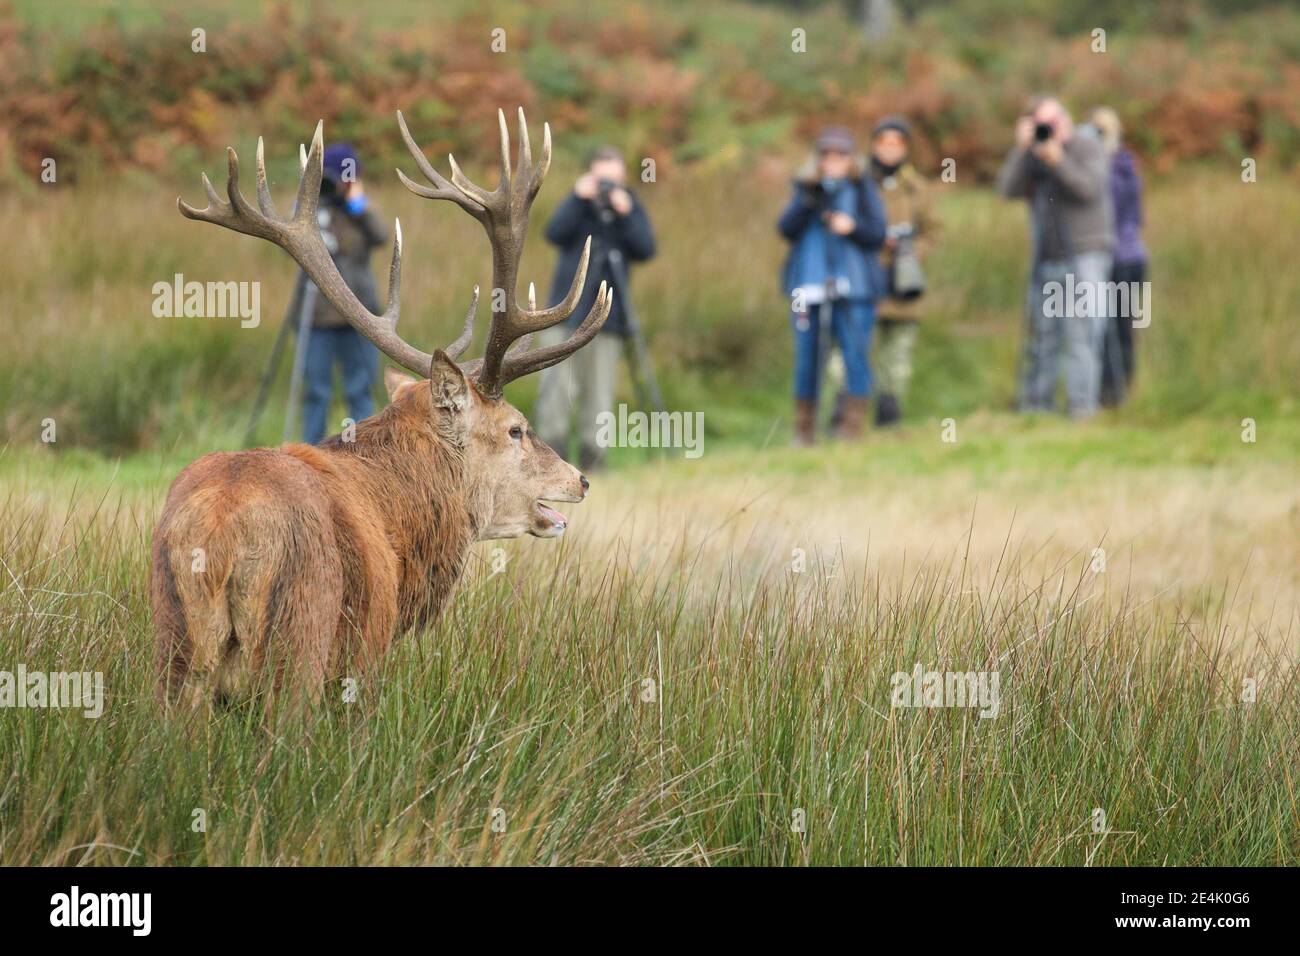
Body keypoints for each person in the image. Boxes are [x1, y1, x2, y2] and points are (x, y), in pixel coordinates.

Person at [533, 146, 656, 471]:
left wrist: (626, 212)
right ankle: (550, 463)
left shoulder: (627, 207)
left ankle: (593, 462)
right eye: (602, 181)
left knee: (599, 395)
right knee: (556, 391)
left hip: (609, 319)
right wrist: (577, 198)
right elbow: (553, 233)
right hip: (564, 314)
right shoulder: (578, 207)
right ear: (589, 176)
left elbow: (646, 248)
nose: (606, 189)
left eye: (613, 182)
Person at [997, 96, 1112, 419]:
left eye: (1055, 120)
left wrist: (1058, 160)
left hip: (1085, 254)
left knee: (1081, 336)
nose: (1052, 128)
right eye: (1042, 124)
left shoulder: (1086, 148)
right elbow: (1007, 190)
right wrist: (1022, 151)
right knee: (1042, 338)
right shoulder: (1032, 155)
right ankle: (1036, 409)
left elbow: (1087, 189)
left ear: (1067, 118)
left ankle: (1082, 410)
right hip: (1047, 257)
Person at [777, 126, 887, 444]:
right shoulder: (806, 189)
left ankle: (850, 431)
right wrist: (807, 201)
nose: (833, 161)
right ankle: (804, 432)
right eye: (827, 155)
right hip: (806, 286)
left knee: (855, 354)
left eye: (840, 155)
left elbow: (878, 234)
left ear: (851, 158)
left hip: (855, 286)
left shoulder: (862, 189)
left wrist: (851, 227)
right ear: (818, 159)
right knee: (807, 358)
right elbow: (785, 229)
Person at [289, 143, 388, 444]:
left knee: (360, 390)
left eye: (350, 178)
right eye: (337, 178)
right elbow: (291, 244)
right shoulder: (310, 210)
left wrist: (357, 204)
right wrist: (312, 205)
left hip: (360, 315)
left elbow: (382, 236)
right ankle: (311, 452)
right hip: (317, 317)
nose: (341, 185)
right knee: (316, 391)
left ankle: (363, 453)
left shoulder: (357, 211)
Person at [867, 116, 940, 426]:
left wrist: (912, 251)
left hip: (904, 280)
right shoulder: (861, 184)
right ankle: (849, 414)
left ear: (905, 148)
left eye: (896, 143)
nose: (889, 149)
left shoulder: (917, 189)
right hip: (868, 276)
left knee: (897, 355)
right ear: (874, 145)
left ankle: (889, 411)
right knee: (857, 349)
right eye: (884, 142)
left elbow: (933, 231)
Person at [1090, 106, 1147, 407]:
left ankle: (1114, 395)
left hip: (1120, 258)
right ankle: (1118, 393)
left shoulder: (1111, 170)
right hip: (1135, 255)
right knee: (1122, 327)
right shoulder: (1128, 165)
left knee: (1113, 328)